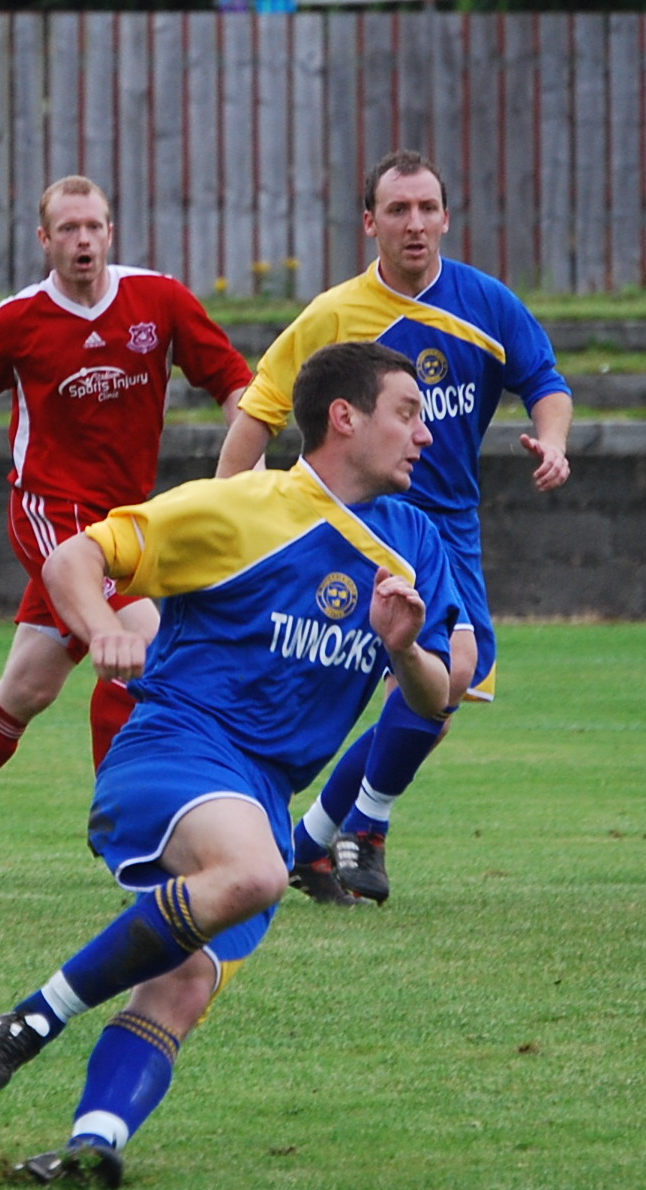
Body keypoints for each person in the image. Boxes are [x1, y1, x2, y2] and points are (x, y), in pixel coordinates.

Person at [0, 341, 459, 1188]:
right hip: (175, 748)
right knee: (258, 871)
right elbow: (73, 557)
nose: (425, 436)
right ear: (346, 417)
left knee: (182, 984)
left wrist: (403, 650)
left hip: (261, 786)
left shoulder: (413, 547)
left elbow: (437, 692)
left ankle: (94, 1143)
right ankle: (30, 1022)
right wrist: (99, 626)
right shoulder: (239, 509)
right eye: (408, 414)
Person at [215, 149, 573, 907]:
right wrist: (223, 513)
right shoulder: (335, 315)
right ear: (370, 222)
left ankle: (312, 843)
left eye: (427, 209)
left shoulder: (485, 303)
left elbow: (545, 381)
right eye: (398, 210)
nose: (415, 224)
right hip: (354, 524)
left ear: (446, 217)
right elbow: (261, 407)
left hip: (447, 526)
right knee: (420, 681)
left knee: (439, 695)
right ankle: (357, 831)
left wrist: (555, 440)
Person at [0, 175, 252, 879]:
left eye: (94, 227)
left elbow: (236, 387)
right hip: (51, 515)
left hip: (130, 525)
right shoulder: (18, 319)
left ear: (112, 232)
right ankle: (128, 832)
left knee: (27, 688)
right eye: (68, 229)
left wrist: (247, 477)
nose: (84, 240)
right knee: (143, 648)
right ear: (45, 240)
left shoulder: (159, 300)